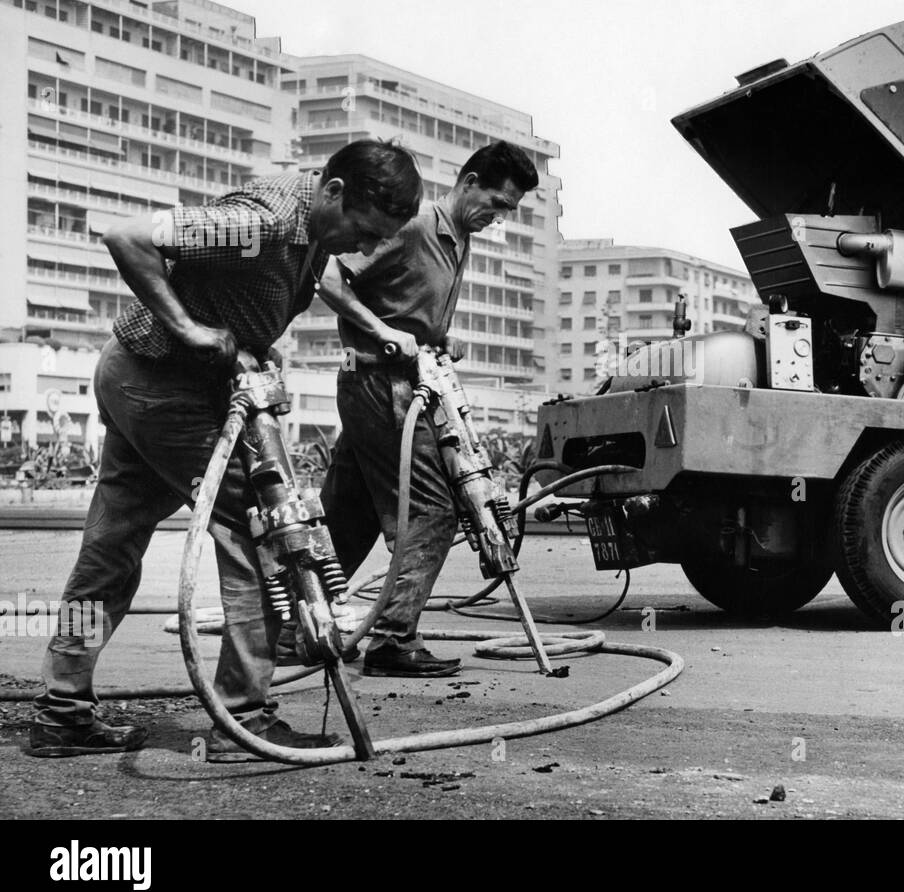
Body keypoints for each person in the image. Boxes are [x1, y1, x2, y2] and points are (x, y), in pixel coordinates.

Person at [29, 140, 424, 760]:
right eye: (362, 230)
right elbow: (127, 235)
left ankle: (62, 708)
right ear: (335, 192)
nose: (363, 247)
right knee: (258, 530)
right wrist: (191, 330)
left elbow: (314, 271)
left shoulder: (315, 225)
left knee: (113, 540)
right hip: (161, 382)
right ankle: (242, 718)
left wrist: (371, 330)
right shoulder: (260, 221)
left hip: (145, 374)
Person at [308, 141, 540, 677]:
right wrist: (385, 333)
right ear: (470, 181)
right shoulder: (415, 226)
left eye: (510, 211)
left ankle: (300, 628)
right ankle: (391, 641)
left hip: (399, 384)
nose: (499, 217)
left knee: (352, 510)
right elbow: (329, 276)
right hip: (379, 385)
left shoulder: (460, 240)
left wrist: (436, 337)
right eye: (497, 203)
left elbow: (409, 306)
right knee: (431, 510)